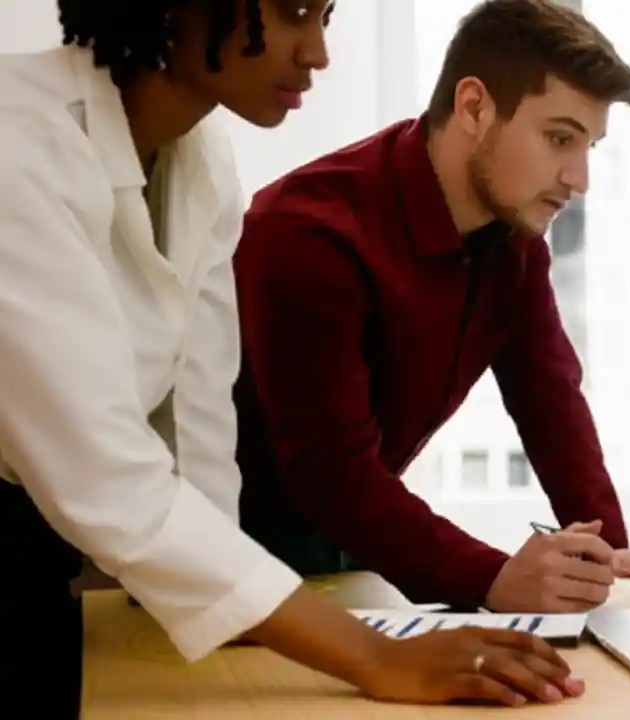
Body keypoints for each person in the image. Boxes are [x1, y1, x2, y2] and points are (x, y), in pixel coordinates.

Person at [0, 1, 583, 715]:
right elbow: (112, 479)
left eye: (327, 17)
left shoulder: (202, 159)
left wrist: (242, 610)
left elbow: (202, 432)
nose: (317, 53)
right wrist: (376, 658)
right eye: (295, 12)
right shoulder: (19, 145)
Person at [233, 0, 630, 616]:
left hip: (351, 556)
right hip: (222, 571)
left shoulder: (513, 241)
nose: (580, 177)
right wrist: (492, 578)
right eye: (560, 138)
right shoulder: (308, 234)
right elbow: (332, 475)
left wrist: (603, 555)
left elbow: (551, 401)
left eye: (589, 145)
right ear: (474, 107)